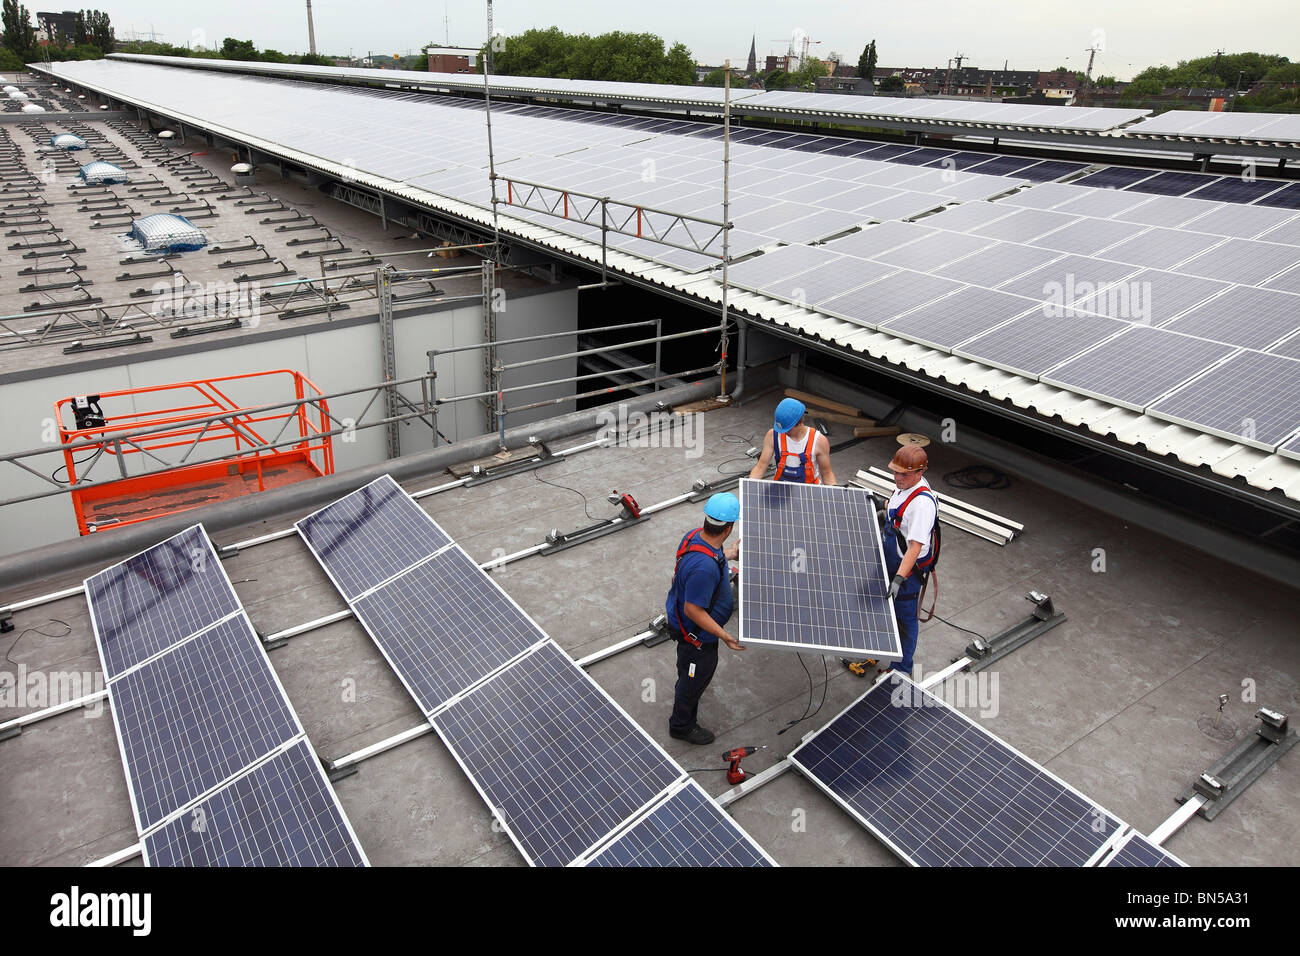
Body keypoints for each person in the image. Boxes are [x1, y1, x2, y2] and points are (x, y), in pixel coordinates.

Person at [665, 492, 744, 745]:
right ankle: (681, 726)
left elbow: (712, 557)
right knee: (693, 680)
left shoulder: (694, 537)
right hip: (697, 638)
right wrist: (725, 636)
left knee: (689, 672)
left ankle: (687, 678)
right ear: (729, 527)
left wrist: (729, 554)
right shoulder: (704, 568)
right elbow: (693, 611)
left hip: (689, 629)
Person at [881, 444, 939, 677]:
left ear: (919, 472)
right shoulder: (903, 487)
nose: (897, 478)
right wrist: (882, 505)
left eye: (903, 474)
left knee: (904, 619)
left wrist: (898, 579)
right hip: (892, 558)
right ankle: (876, 648)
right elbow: (898, 510)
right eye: (895, 472)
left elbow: (914, 547)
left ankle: (902, 670)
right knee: (884, 611)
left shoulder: (922, 505)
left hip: (907, 571)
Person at [748, 397, 836, 485]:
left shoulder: (819, 441)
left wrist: (835, 493)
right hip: (780, 489)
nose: (784, 432)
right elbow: (761, 466)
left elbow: (826, 474)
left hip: (809, 491)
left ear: (800, 422)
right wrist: (749, 486)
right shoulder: (773, 435)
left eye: (788, 429)